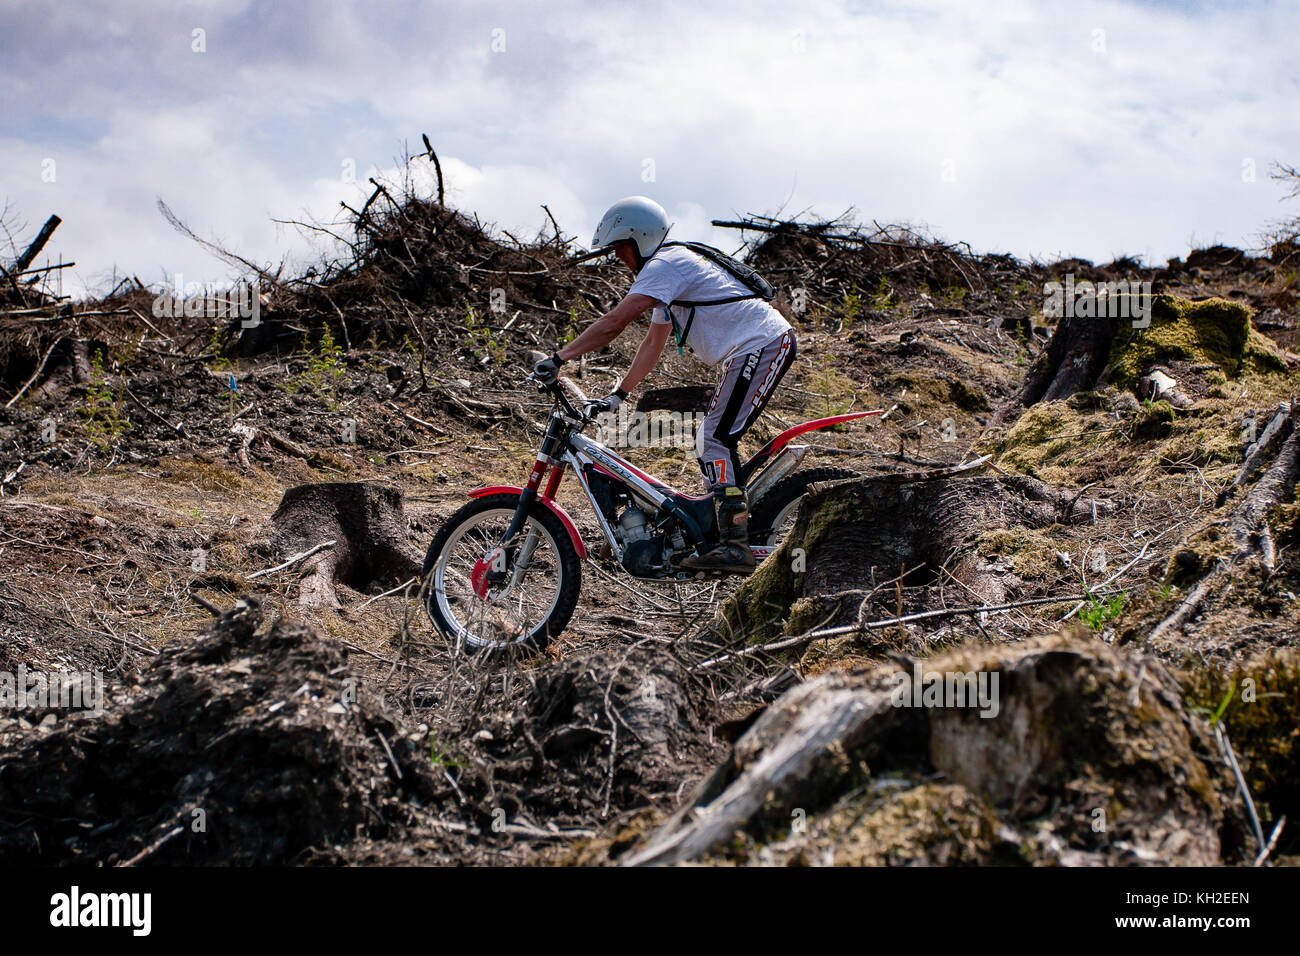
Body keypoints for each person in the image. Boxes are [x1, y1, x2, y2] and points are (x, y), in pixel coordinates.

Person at [533, 196, 796, 573]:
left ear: (641, 237)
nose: (618, 256)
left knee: (714, 439)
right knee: (712, 439)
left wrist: (558, 359)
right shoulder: (668, 272)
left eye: (621, 246)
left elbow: (615, 322)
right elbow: (653, 343)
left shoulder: (665, 264)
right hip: (752, 349)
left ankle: (735, 544)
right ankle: (723, 529)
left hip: (762, 345)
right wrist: (620, 394)